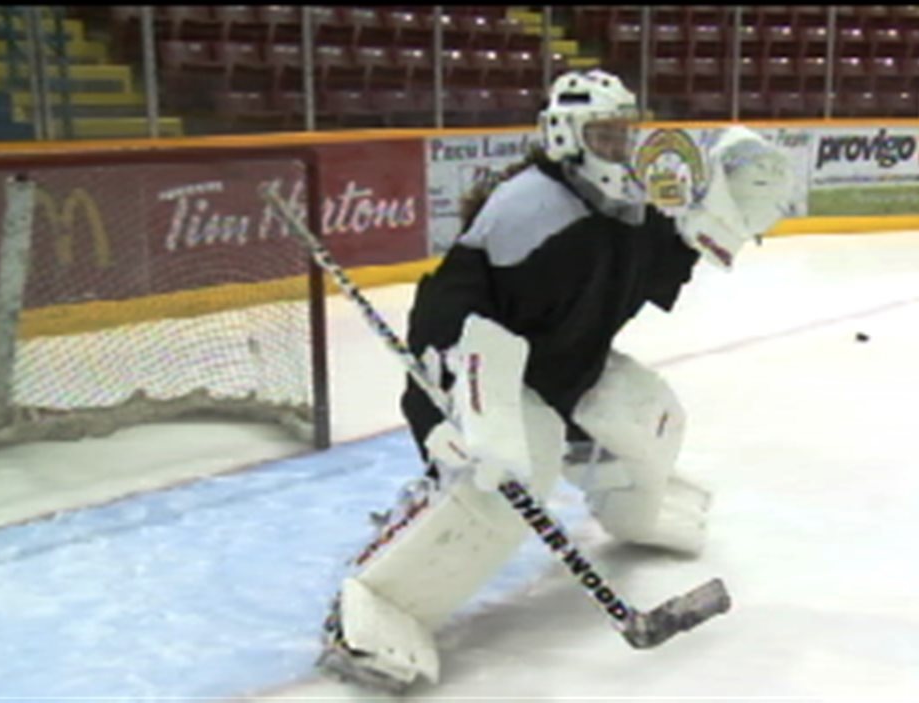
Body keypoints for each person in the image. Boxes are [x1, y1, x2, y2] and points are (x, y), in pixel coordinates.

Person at [317, 69, 796, 691]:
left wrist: (723, 221)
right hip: (499, 381)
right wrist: (443, 418)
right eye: (604, 132)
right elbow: (449, 313)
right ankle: (381, 603)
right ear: (564, 135)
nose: (620, 145)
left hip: (571, 372)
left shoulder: (621, 205)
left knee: (653, 418)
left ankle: (636, 512)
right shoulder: (526, 209)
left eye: (625, 130)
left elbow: (660, 259)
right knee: (511, 474)